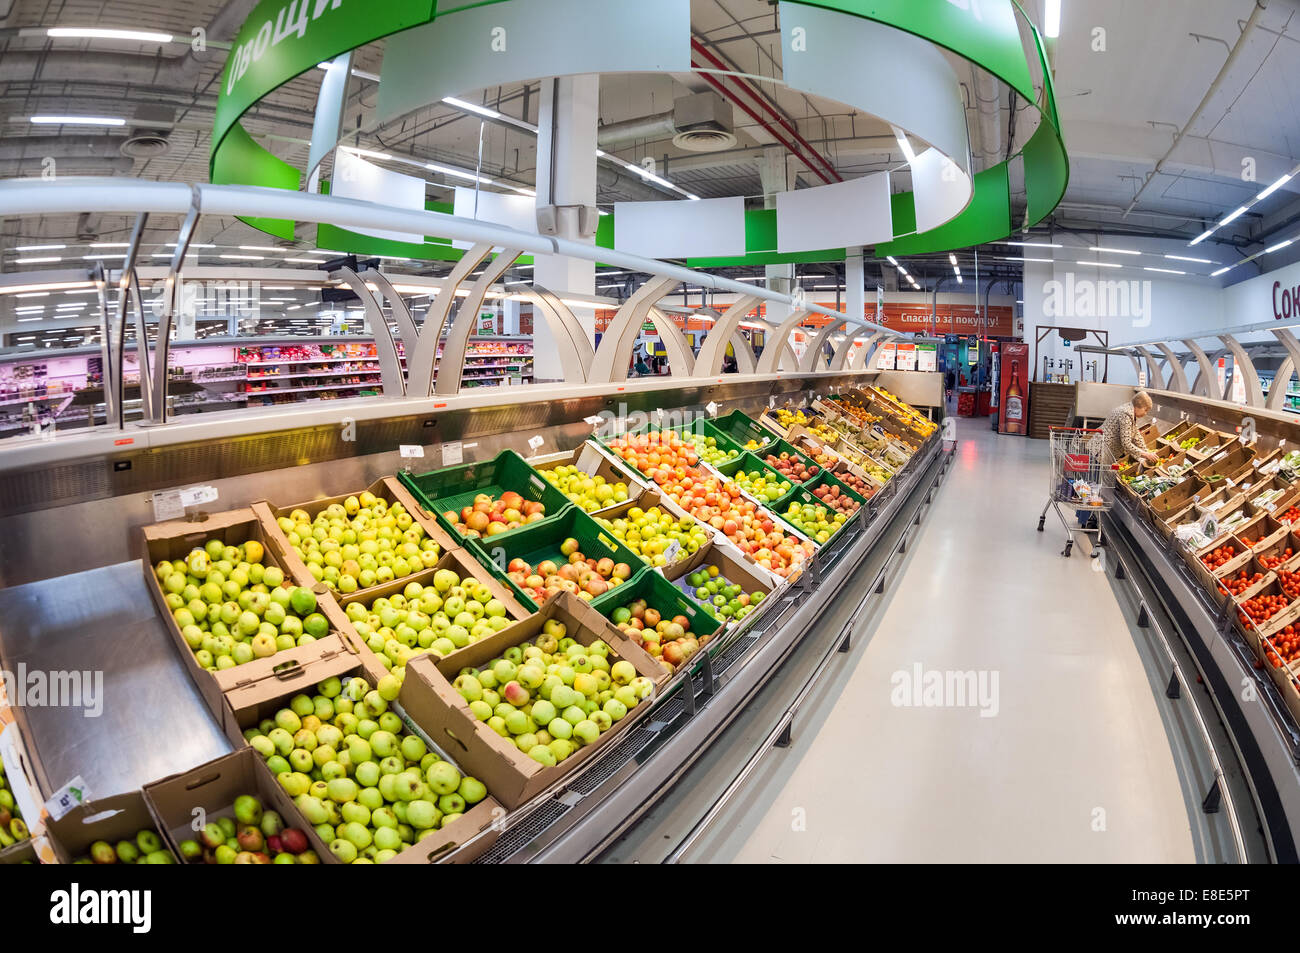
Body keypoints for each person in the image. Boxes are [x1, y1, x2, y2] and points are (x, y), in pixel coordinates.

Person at [1089, 390, 1158, 467]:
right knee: (1094, 477)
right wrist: (1145, 454)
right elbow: (1126, 444)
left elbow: (1136, 436)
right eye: (1145, 410)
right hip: (1099, 453)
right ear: (1138, 405)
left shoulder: (1130, 411)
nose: (1145, 413)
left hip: (1102, 452)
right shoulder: (1126, 414)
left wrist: (1146, 452)